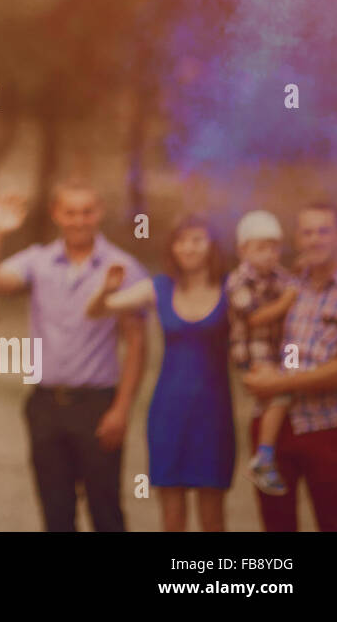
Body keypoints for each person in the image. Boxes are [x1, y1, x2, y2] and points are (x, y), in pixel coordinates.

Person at [0, 181, 148, 531]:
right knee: (55, 512)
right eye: (70, 212)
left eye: (87, 212)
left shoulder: (122, 267)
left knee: (106, 510)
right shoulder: (38, 262)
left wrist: (121, 409)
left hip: (97, 405)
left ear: (99, 213)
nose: (79, 220)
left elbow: (138, 344)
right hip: (45, 406)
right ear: (56, 214)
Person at [86, 215, 235, 531]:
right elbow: (96, 310)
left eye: (197, 240)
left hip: (214, 412)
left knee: (212, 514)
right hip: (168, 410)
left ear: (212, 246)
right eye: (181, 241)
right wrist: (106, 289)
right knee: (171, 513)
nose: (189, 248)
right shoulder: (159, 288)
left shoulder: (232, 287)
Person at [243, 202, 337, 532]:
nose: (315, 240)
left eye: (324, 231)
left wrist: (282, 384)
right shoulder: (289, 287)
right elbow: (284, 346)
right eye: (307, 232)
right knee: (277, 526)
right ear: (297, 240)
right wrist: (263, 373)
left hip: (327, 428)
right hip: (276, 425)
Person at [223, 211, 297, 495]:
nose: (269, 255)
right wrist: (288, 300)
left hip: (276, 350)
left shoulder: (279, 276)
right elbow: (255, 318)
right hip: (251, 353)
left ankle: (269, 453)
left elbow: (294, 283)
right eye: (261, 248)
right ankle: (262, 458)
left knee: (278, 397)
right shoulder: (238, 280)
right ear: (243, 250)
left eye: (274, 247)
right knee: (280, 393)